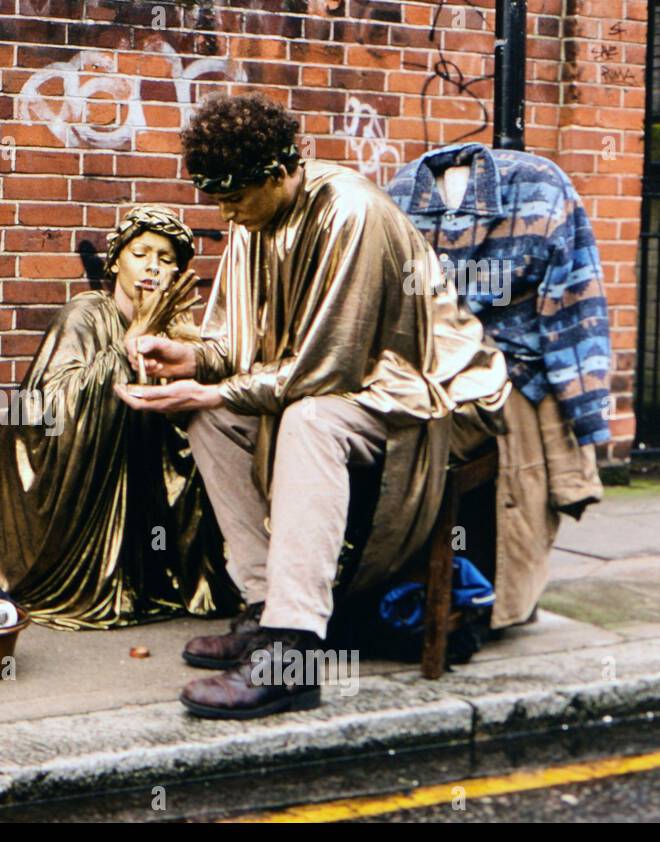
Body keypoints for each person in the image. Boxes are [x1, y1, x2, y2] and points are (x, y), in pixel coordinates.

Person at [115, 94, 510, 718]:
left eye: (236, 198)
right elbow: (237, 346)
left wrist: (216, 384)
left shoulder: (352, 212)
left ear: (280, 173)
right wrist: (192, 362)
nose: (226, 214)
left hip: (431, 391)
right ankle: (266, 610)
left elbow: (328, 370)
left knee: (309, 419)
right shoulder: (255, 219)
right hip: (340, 382)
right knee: (209, 415)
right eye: (217, 199)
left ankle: (295, 652)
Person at [0, 205, 238, 631]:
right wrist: (128, 346)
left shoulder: (180, 333)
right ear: (115, 261)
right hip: (69, 473)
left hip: (141, 481)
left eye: (166, 260)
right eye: (141, 253)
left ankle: (167, 570)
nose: (152, 267)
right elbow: (49, 409)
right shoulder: (85, 314)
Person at [387, 143, 609, 628]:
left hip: (512, 375)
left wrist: (583, 408)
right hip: (420, 376)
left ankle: (490, 601)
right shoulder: (397, 196)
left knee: (518, 454)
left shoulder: (540, 188)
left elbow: (574, 303)